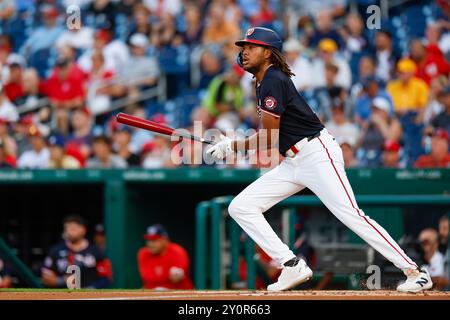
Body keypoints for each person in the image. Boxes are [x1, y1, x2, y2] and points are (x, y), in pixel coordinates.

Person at [207, 27, 432, 292]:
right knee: (241, 206)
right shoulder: (263, 80)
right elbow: (272, 136)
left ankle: (415, 272)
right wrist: (234, 144)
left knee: (352, 216)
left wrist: (233, 146)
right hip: (293, 161)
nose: (244, 52)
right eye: (243, 47)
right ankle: (291, 265)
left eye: (252, 47)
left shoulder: (272, 79)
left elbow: (269, 137)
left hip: (316, 154)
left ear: (268, 53)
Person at [41, 215, 112, 288]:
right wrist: (61, 281)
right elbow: (45, 278)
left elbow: (106, 277)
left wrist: (91, 288)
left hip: (88, 296)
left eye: (73, 229)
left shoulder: (96, 251)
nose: (69, 232)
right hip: (63, 296)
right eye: (66, 229)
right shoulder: (55, 250)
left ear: (83, 230)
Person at [137, 224, 193, 289]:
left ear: (165, 239)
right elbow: (148, 279)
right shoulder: (143, 253)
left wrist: (177, 275)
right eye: (148, 240)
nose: (150, 244)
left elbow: (176, 279)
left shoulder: (177, 251)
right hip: (153, 295)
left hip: (177, 295)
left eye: (154, 240)